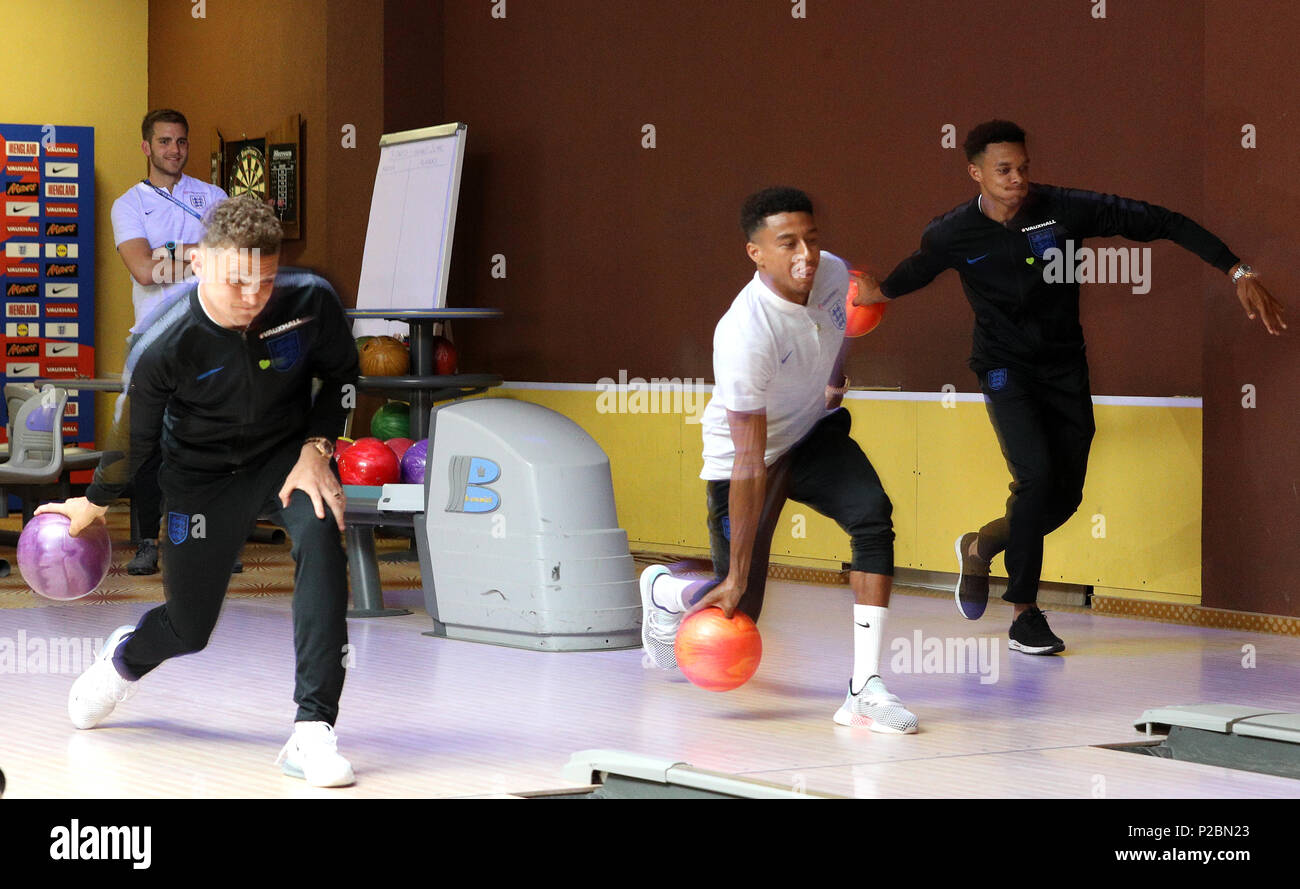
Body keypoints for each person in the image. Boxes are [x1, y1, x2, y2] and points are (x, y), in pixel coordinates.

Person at [854, 119, 1286, 655]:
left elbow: (1163, 221)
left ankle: (981, 544)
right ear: (975, 173)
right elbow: (918, 270)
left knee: (1064, 498)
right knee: (1034, 478)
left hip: (1063, 369)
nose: (1018, 179)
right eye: (1004, 170)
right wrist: (881, 292)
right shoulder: (951, 233)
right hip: (1003, 368)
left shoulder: (1063, 209)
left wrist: (1237, 270)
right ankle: (1024, 613)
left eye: (1023, 168)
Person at [47, 196, 361, 787]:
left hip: (284, 458)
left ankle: (312, 730)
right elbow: (133, 439)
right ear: (197, 262)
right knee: (189, 629)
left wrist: (319, 447)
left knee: (321, 537)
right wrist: (91, 503)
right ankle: (124, 658)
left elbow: (343, 373)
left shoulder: (310, 299)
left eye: (264, 281)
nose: (251, 297)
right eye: (235, 280)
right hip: (198, 478)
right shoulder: (164, 343)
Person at [639, 187, 917, 734]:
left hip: (812, 433)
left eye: (812, 239)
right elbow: (748, 457)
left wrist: (834, 376)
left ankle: (864, 688)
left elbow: (842, 324)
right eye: (787, 242)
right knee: (738, 607)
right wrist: (740, 574)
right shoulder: (745, 331)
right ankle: (663, 589)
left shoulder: (834, 273)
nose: (806, 254)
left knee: (872, 515)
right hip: (746, 458)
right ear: (756, 253)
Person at [110, 108, 230, 576]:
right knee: (147, 448)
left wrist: (170, 256)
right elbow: (142, 269)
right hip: (152, 341)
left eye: (180, 141)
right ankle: (146, 543)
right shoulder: (129, 204)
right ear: (146, 147)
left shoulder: (213, 196)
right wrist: (196, 257)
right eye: (164, 142)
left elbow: (231, 261)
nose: (174, 150)